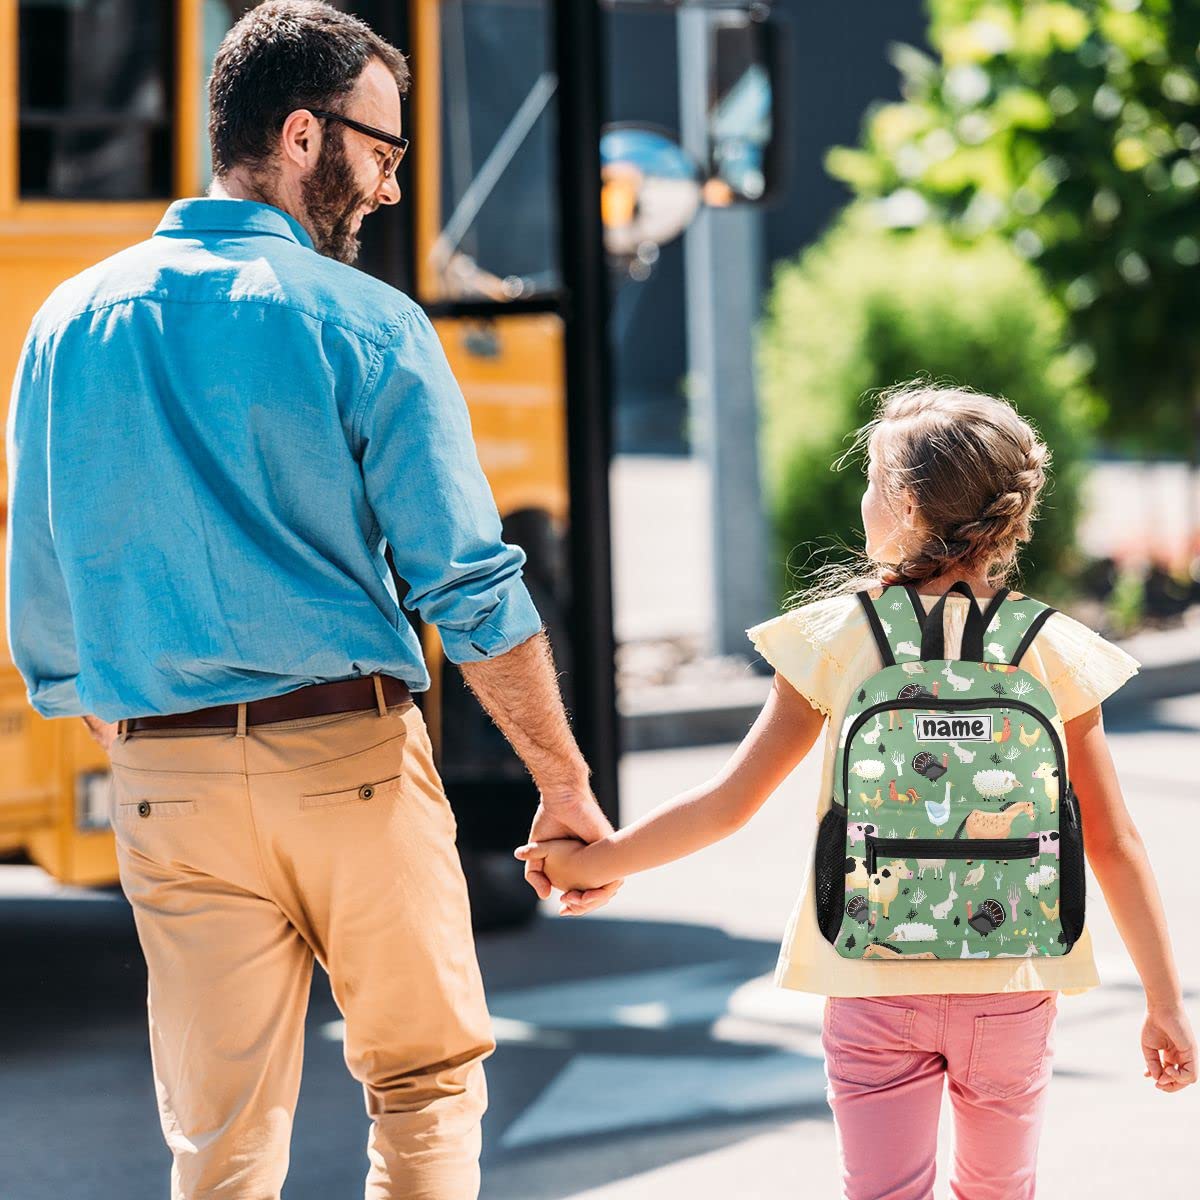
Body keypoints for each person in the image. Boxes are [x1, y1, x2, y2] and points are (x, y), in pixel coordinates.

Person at [5, 3, 618, 1197]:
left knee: (219, 1139)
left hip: (163, 782)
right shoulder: (367, 322)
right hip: (346, 760)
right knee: (425, 1085)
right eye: (382, 151)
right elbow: (468, 584)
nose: (388, 187)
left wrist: (135, 731)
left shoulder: (66, 322)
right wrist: (561, 783)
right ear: (301, 133)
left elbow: (43, 576)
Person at [518, 383, 1196, 1199]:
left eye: (874, 481)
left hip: (872, 978)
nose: (865, 498)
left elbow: (729, 802)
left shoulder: (840, 635)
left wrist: (591, 864)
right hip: (1011, 986)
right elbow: (1115, 843)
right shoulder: (1047, 648)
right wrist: (1163, 1002)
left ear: (906, 505)